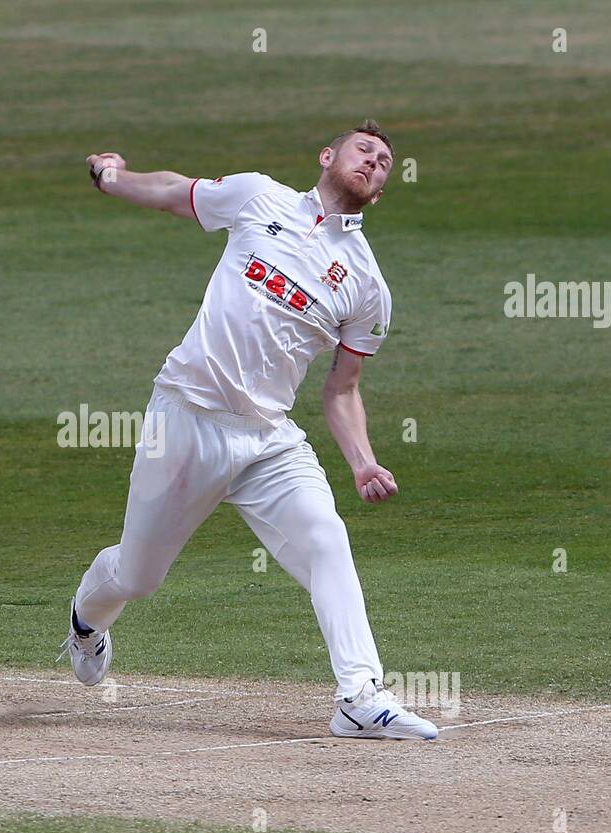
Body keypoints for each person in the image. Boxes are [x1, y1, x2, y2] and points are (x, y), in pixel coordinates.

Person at [64, 121, 437, 741]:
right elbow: (171, 190)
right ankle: (84, 622)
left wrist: (363, 463)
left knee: (326, 540)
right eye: (363, 149)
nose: (373, 161)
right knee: (137, 577)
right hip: (185, 416)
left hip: (268, 438)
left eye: (385, 162)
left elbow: (342, 390)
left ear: (381, 190)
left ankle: (359, 696)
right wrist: (110, 177)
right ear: (328, 156)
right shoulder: (256, 197)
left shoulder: (368, 286)